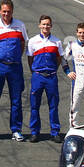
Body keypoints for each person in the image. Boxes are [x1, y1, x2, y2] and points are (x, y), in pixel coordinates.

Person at [0, 0, 28, 141]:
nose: (6, 14)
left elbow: (22, 44)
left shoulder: (20, 25)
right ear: (0, 11)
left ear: (12, 11)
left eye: (8, 11)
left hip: (15, 66)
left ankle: (16, 129)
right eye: (4, 11)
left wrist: (14, 58)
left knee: (16, 99)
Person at [25, 14, 62, 143]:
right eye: (43, 24)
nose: (46, 26)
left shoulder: (56, 41)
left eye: (48, 24)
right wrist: (34, 71)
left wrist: (52, 70)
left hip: (51, 77)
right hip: (38, 77)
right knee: (34, 105)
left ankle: (55, 132)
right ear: (39, 25)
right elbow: (30, 58)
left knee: (53, 105)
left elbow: (59, 59)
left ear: (51, 26)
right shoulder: (33, 41)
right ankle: (34, 132)